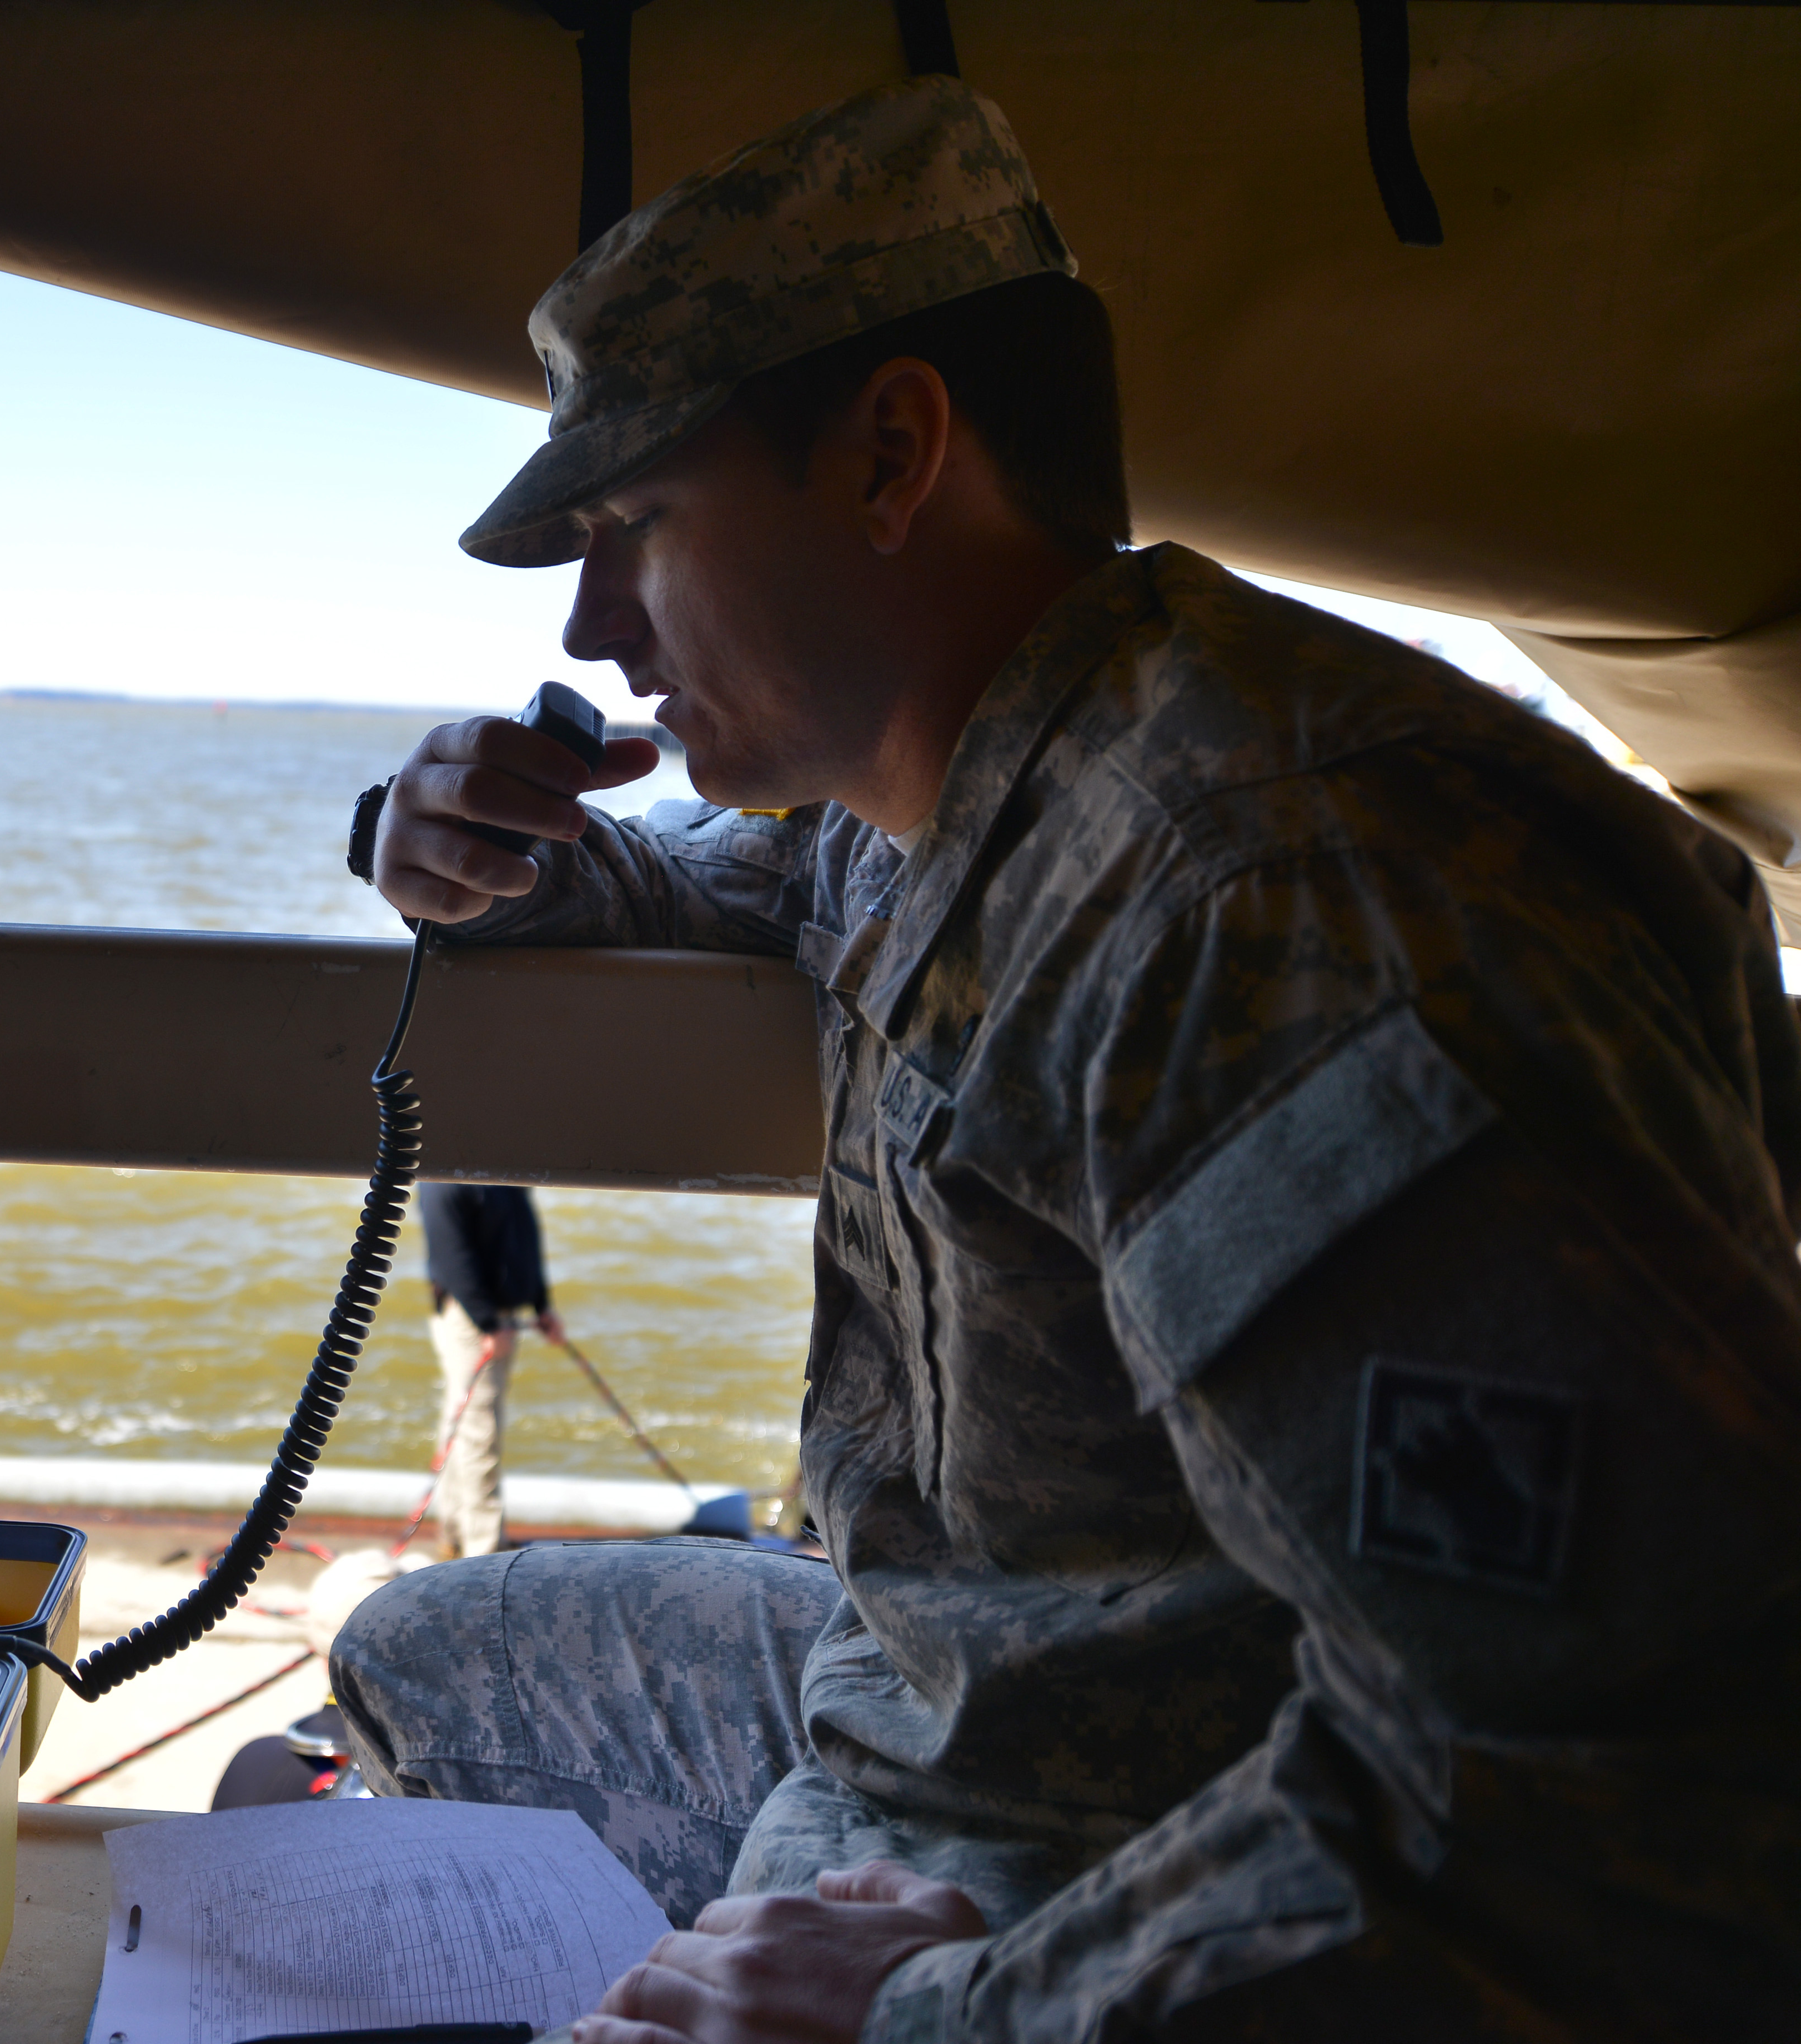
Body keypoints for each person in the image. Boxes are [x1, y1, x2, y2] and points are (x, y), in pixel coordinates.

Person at [327, 74, 1801, 2044]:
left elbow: (1614, 1788)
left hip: (1140, 1827)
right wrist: (499, 859)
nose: (594, 625)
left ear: (891, 456)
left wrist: (940, 2009)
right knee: (413, 1654)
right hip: (939, 1691)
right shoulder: (918, 787)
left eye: (635, 525)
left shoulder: (1280, 902)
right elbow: (720, 880)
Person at [420, 1181, 565, 1558]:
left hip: (499, 1317)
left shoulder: (502, 1165)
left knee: (464, 1421)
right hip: (472, 1320)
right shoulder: (443, 1179)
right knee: (480, 1433)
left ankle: (453, 1535)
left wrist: (540, 1304)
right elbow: (450, 1253)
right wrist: (488, 1324)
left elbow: (524, 1231)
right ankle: (483, 1554)